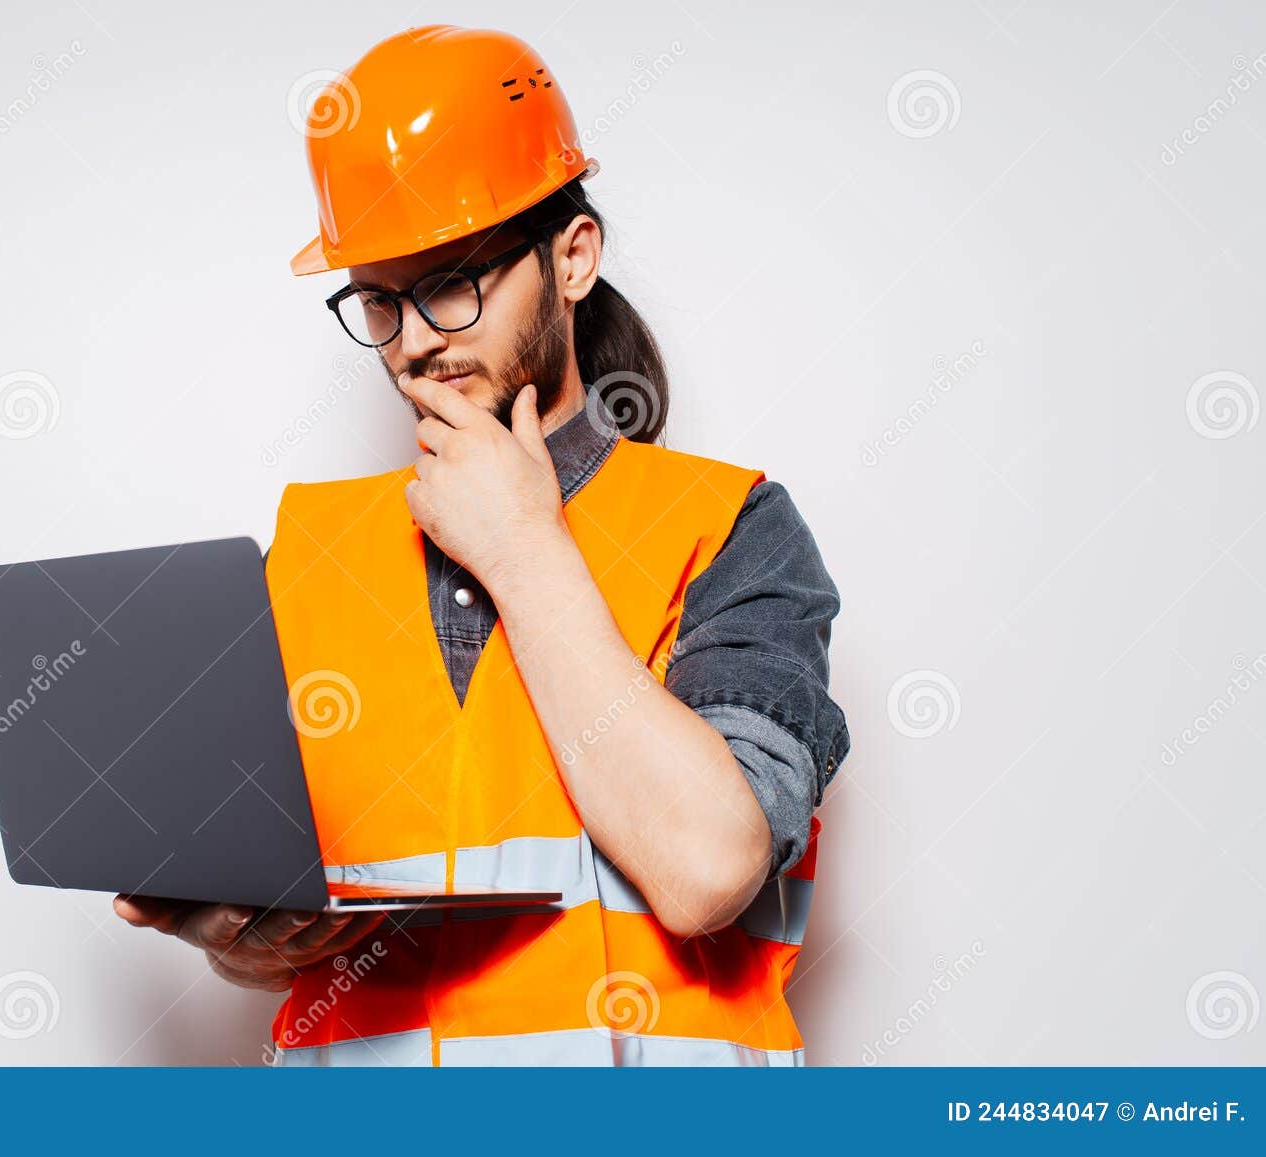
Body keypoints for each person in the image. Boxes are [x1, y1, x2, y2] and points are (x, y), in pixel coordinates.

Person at [115, 24, 848, 1067]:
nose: (413, 338)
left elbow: (703, 867)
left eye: (452, 281)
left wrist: (520, 545)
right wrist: (240, 938)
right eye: (378, 298)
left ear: (573, 257)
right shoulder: (310, 552)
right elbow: (275, 911)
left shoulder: (729, 527)